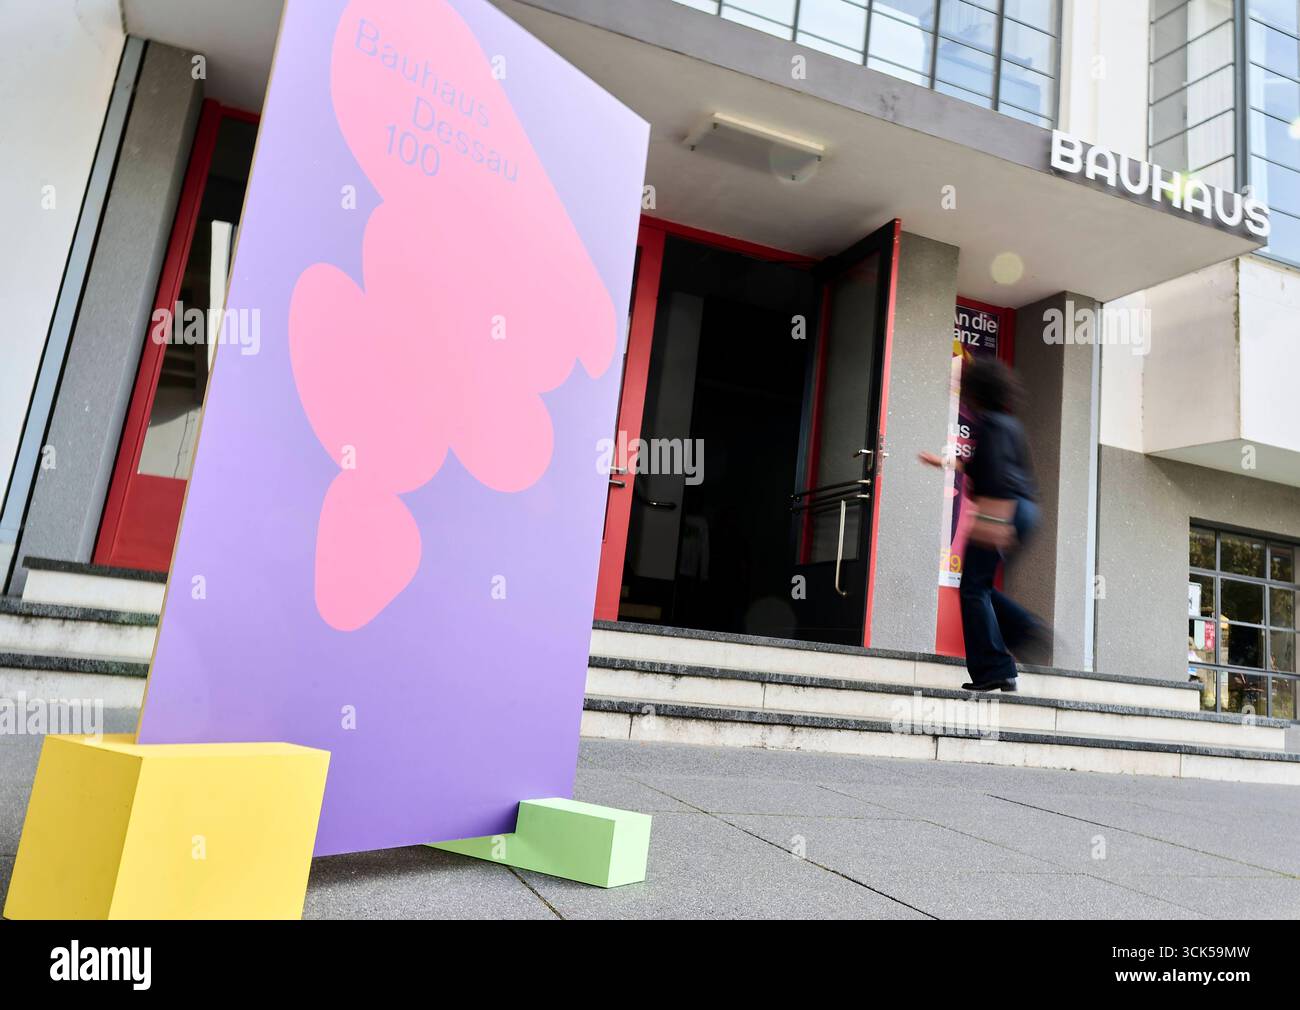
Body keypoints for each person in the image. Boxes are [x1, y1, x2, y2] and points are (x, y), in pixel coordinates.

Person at [920, 358, 1042, 692]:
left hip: (1003, 507)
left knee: (973, 587)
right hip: (1025, 511)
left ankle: (999, 662)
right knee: (979, 585)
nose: (960, 391)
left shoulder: (990, 424)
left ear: (977, 390)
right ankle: (1019, 631)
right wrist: (943, 461)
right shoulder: (1008, 424)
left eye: (964, 386)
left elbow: (995, 475)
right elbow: (984, 465)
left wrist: (992, 518)